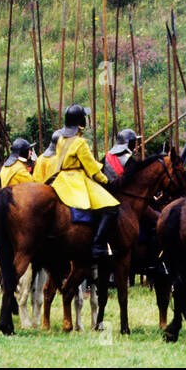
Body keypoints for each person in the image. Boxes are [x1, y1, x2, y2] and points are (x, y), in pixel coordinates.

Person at [45, 104, 118, 261]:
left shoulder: (60, 139)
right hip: (76, 180)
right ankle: (98, 246)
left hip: (60, 179)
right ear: (80, 122)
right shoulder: (80, 142)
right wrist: (106, 181)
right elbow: (92, 169)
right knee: (111, 208)